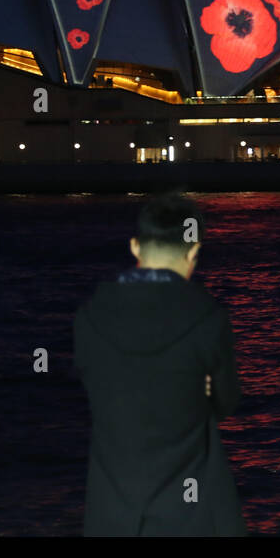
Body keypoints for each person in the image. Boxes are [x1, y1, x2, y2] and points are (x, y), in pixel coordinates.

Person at [73, 192, 245, 535]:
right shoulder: (208, 317)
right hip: (190, 515)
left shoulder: (89, 317)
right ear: (193, 252)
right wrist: (201, 390)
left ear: (135, 247)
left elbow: (98, 386)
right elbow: (227, 401)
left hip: (112, 513)